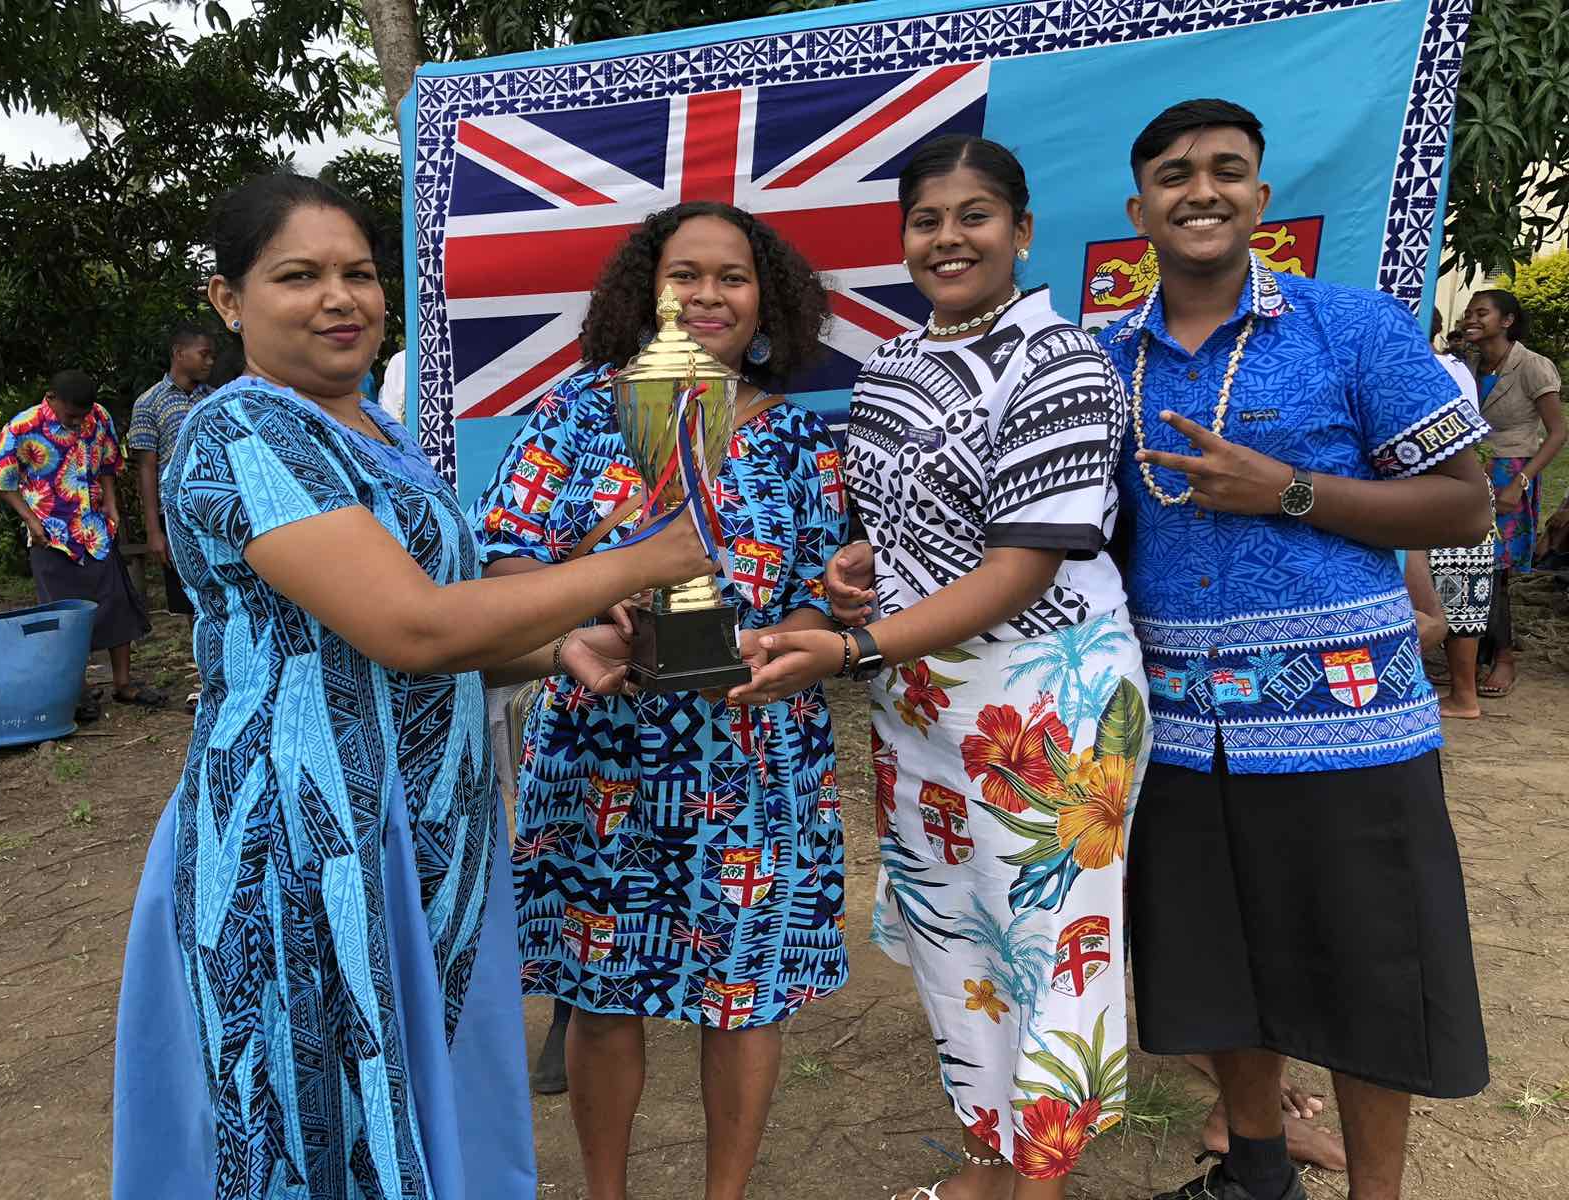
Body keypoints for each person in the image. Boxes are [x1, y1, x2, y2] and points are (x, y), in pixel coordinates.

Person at [109, 172, 714, 1200]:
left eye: (358, 274)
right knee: (318, 1124)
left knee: (419, 1108)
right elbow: (411, 628)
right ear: (227, 301)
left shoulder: (378, 434)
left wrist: (565, 644)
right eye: (299, 276)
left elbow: (446, 624)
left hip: (424, 828)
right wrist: (648, 558)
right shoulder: (241, 431)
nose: (339, 298)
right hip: (306, 844)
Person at [732, 136, 1147, 1200]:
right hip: (921, 705)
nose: (948, 237)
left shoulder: (1061, 363)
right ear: (903, 237)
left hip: (1044, 698)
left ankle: (1038, 1185)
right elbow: (907, 530)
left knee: (1052, 949)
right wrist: (860, 563)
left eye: (974, 215)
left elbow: (1017, 567)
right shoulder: (890, 372)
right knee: (951, 937)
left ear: (1020, 229)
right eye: (926, 219)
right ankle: (977, 1164)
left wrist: (852, 643)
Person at [1096, 99, 1492, 1200]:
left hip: (1346, 718)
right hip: (1179, 729)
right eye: (1174, 174)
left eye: (1227, 170)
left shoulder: (1351, 328)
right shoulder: (1101, 360)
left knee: (1370, 972)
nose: (1202, 190)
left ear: (1261, 199)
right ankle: (1255, 1168)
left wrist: (1292, 493)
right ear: (1140, 210)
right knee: (1221, 966)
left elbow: (1462, 507)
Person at [470, 199, 847, 1200]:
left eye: (731, 276)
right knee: (600, 997)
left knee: (744, 1001)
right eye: (686, 275)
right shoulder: (581, 412)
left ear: (765, 299)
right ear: (649, 291)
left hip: (753, 759)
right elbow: (505, 562)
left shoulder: (797, 440)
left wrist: (786, 636)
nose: (707, 295)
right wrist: (592, 604)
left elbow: (818, 597)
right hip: (602, 753)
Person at [0, 369, 163, 718]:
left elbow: (110, 462)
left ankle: (123, 685)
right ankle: (77, 691)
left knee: (115, 605)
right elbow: (0, 479)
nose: (80, 422)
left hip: (94, 530)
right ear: (52, 398)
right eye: (72, 416)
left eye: (84, 415)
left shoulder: (98, 417)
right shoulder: (23, 426)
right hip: (51, 537)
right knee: (64, 616)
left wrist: (110, 502)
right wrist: (31, 520)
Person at [1460, 288, 1564, 699]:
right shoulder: (1467, 364)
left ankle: (1504, 656)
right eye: (1469, 312)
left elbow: (1558, 434)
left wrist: (1519, 484)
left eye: (1481, 313)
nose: (1471, 318)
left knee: (1495, 567)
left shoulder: (1534, 367)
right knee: (1467, 559)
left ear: (1506, 321)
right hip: (1472, 468)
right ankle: (1475, 651)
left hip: (1512, 471)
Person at [127, 323, 215, 709]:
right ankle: (204, 683)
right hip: (176, 517)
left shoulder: (216, 399)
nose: (210, 361)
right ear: (179, 353)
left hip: (217, 514)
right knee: (190, 602)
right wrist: (153, 530)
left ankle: (225, 679)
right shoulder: (149, 403)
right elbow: (145, 468)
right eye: (204, 354)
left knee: (224, 595)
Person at [1423, 315, 1496, 716]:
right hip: (1461, 484)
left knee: (1450, 591)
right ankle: (1463, 693)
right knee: (1461, 593)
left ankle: (1464, 698)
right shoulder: (1456, 367)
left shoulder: (1419, 367)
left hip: (1438, 485)